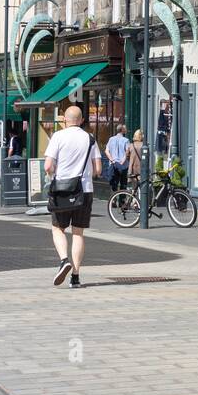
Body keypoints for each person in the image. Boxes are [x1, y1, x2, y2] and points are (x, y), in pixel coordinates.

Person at [44, 105, 103, 289]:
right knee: (78, 233)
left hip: (61, 190)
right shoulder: (90, 139)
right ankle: (76, 276)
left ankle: (64, 261)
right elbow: (98, 170)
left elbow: (48, 166)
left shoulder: (58, 136)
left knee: (58, 228)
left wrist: (53, 174)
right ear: (81, 120)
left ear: (64, 120)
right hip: (84, 190)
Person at [105, 124, 130, 193]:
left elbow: (106, 151)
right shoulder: (126, 140)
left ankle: (113, 201)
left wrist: (112, 160)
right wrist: (122, 162)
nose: (126, 130)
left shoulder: (111, 139)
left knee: (114, 184)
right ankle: (122, 202)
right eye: (125, 129)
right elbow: (127, 152)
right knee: (123, 184)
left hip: (113, 165)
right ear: (122, 130)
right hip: (123, 166)